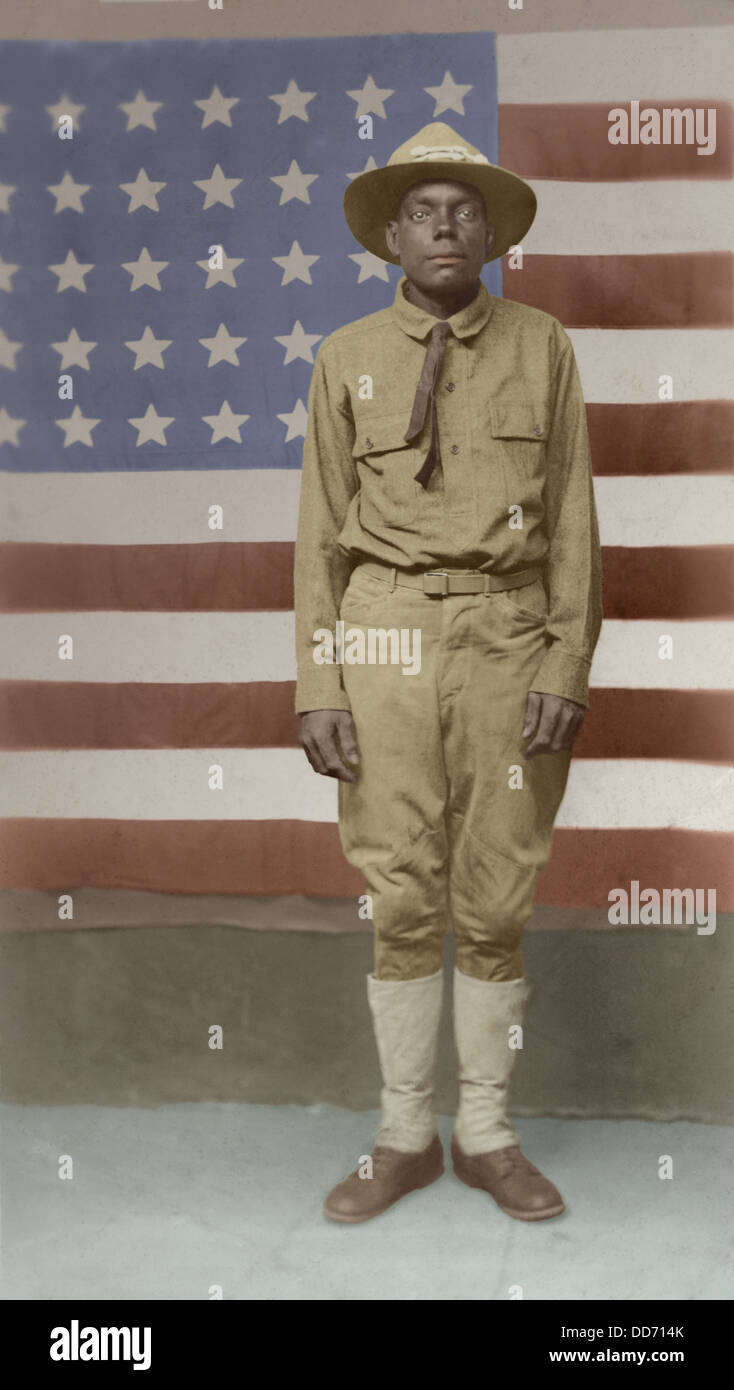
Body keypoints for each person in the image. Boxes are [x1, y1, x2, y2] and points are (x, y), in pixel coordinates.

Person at [293, 122, 603, 1224]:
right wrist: (321, 682)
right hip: (377, 633)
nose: (442, 226)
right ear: (389, 233)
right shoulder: (344, 357)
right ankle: (400, 1135)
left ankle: (483, 1131)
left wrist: (565, 656)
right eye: (421, 210)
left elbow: (570, 522)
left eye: (462, 209)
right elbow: (319, 534)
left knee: (496, 886)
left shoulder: (540, 344)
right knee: (399, 885)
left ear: (489, 233)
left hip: (508, 635)